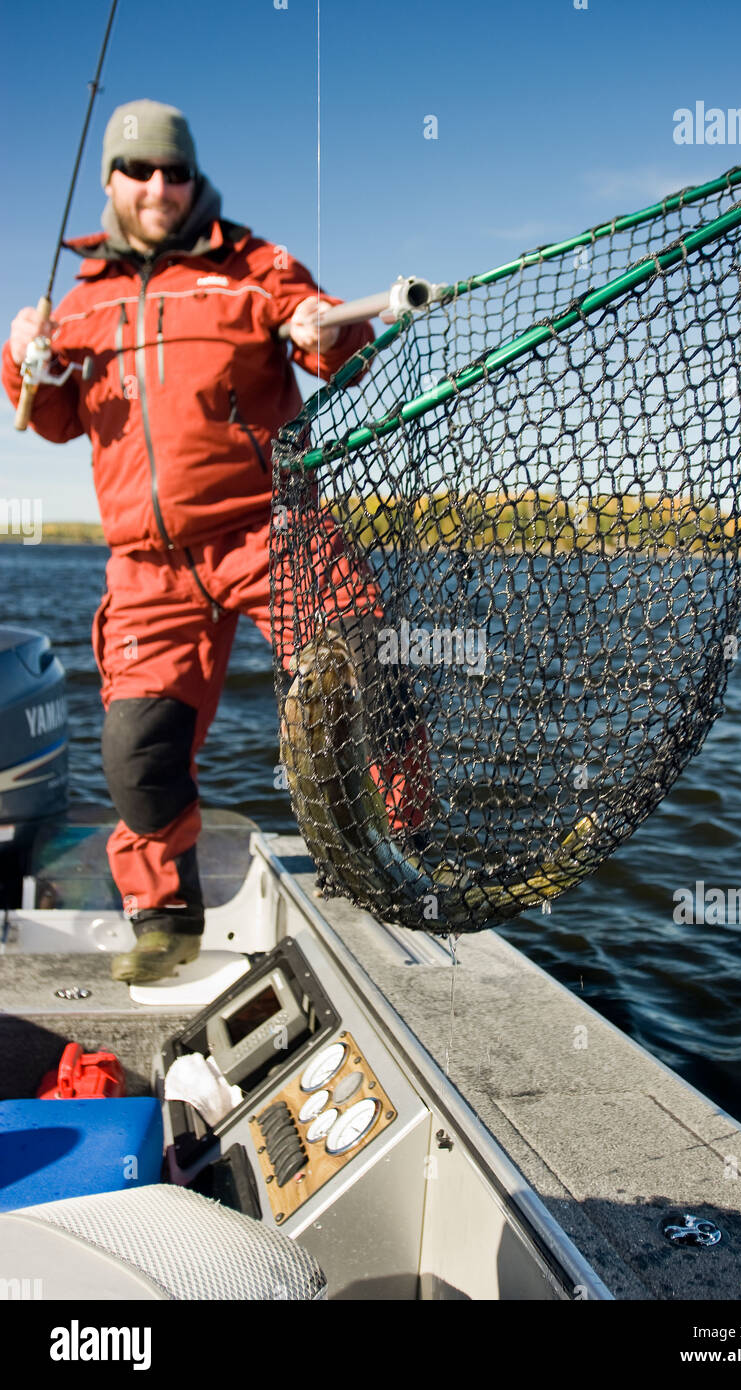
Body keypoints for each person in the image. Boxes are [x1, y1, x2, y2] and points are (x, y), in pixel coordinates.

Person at [3, 100, 430, 983]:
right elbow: (41, 422)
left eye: (175, 171)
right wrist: (22, 356)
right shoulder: (82, 307)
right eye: (140, 170)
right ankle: (164, 916)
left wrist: (326, 325)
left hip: (271, 527)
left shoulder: (256, 267)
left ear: (195, 180)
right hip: (147, 568)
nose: (159, 186)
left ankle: (420, 841)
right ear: (112, 183)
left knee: (369, 669)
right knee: (138, 748)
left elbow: (341, 352)